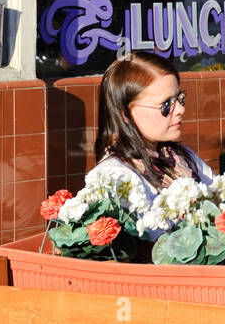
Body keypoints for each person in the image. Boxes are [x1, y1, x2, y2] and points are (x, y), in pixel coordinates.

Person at [85, 52, 214, 211]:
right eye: (166, 105)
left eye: (179, 99)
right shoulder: (115, 176)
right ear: (126, 114)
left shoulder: (181, 157)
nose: (181, 109)